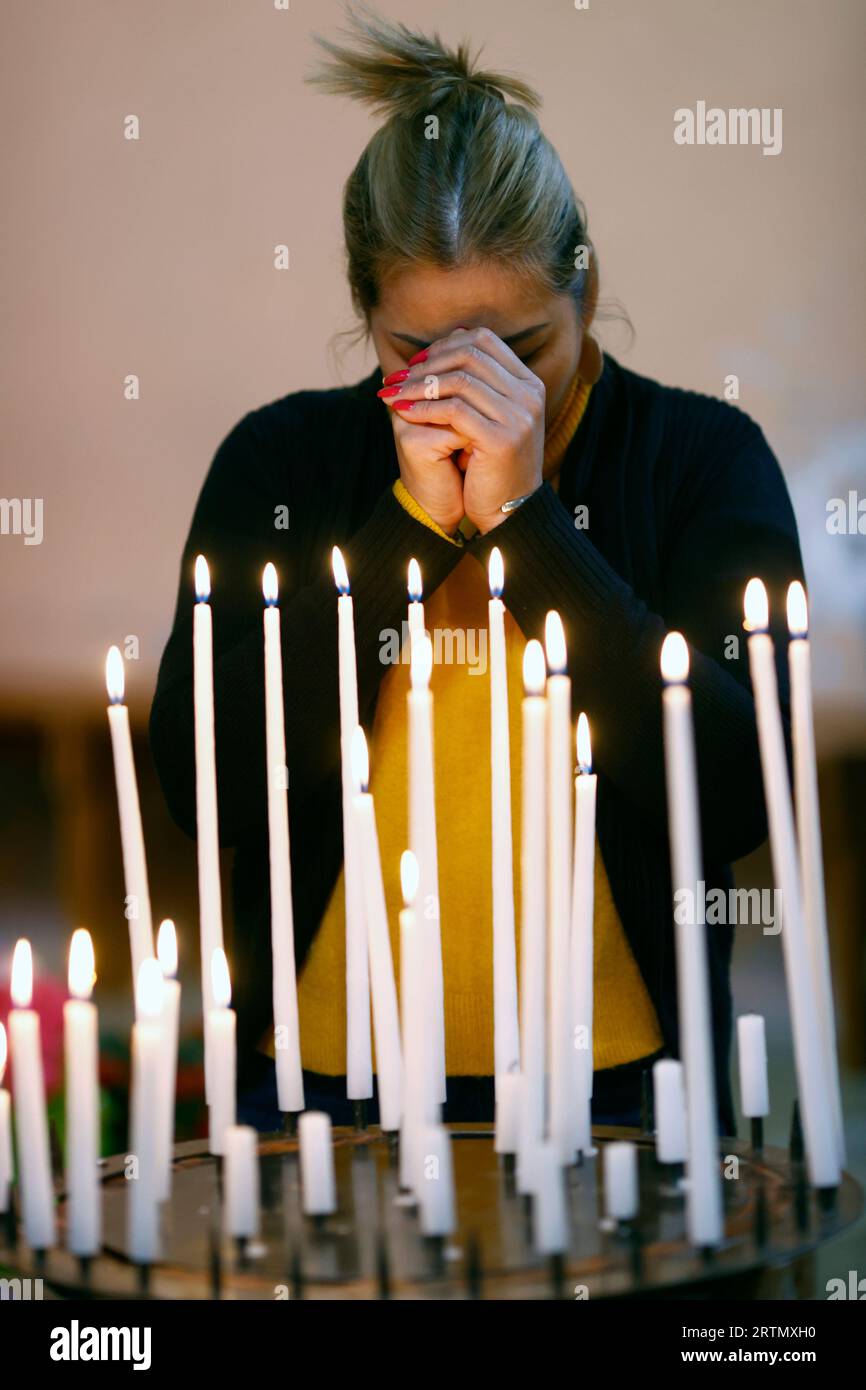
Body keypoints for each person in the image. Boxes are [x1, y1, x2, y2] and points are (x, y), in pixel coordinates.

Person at [150, 10, 803, 1134]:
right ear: (365, 317)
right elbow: (207, 775)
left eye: (521, 351)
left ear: (584, 293)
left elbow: (743, 791)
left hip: (620, 1088)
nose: (473, 397)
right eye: (421, 356)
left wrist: (526, 524)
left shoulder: (700, 459)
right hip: (320, 1083)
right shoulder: (283, 458)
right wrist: (409, 522)